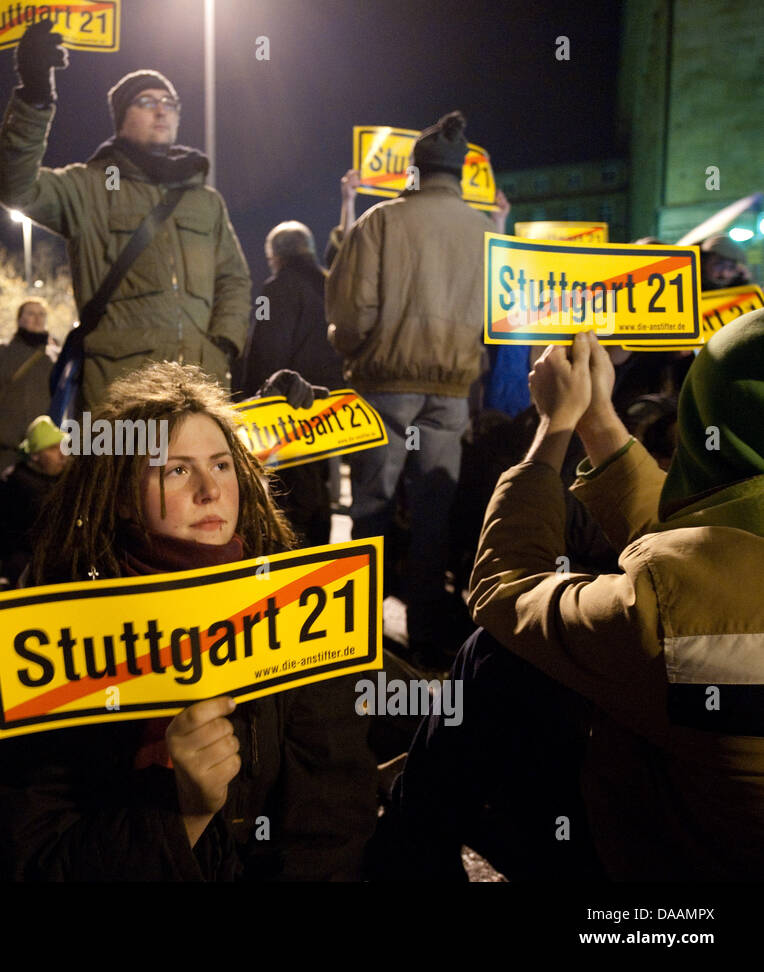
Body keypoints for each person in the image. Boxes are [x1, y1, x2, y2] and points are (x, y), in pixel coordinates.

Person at [390, 320, 764, 880]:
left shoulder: (676, 592)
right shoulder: (711, 572)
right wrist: (598, 421)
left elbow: (507, 590)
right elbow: (702, 548)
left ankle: (405, 857)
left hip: (674, 876)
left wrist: (554, 430)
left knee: (495, 656)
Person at [0, 362, 377, 880]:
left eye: (220, 465)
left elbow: (330, 825)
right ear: (124, 498)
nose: (209, 490)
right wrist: (181, 816)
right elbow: (37, 859)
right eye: (176, 469)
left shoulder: (298, 610)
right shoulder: (60, 635)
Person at [0, 20, 251, 414]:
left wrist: (224, 343)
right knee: (128, 479)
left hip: (202, 386)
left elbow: (233, 278)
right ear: (121, 116)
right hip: (122, 392)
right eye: (147, 102)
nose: (162, 110)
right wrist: (35, 96)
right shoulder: (89, 187)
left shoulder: (205, 200)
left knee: (199, 476)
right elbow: (15, 188)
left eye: (170, 103)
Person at [324, 110, 488, 662]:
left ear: (415, 170)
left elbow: (352, 315)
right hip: (452, 391)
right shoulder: (485, 230)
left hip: (386, 384)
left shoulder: (382, 222)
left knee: (370, 506)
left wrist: (353, 347)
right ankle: (425, 633)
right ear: (460, 172)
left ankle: (358, 632)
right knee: (434, 515)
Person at [240, 221, 345, 546]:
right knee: (318, 490)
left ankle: (292, 564)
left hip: (290, 406)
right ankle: (320, 560)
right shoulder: (332, 286)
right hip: (328, 407)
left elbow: (267, 353)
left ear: (277, 256)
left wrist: (250, 404)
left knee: (291, 495)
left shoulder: (280, 288)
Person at [0, 300, 58, 528]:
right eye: (31, 313)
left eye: (41, 314)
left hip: (40, 446)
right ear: (19, 319)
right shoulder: (1, 354)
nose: (37, 318)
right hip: (3, 442)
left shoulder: (53, 358)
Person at [0, 415, 69, 585]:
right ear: (35, 456)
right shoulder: (11, 484)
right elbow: (3, 537)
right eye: (53, 448)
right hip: (27, 562)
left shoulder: (69, 479)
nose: (62, 454)